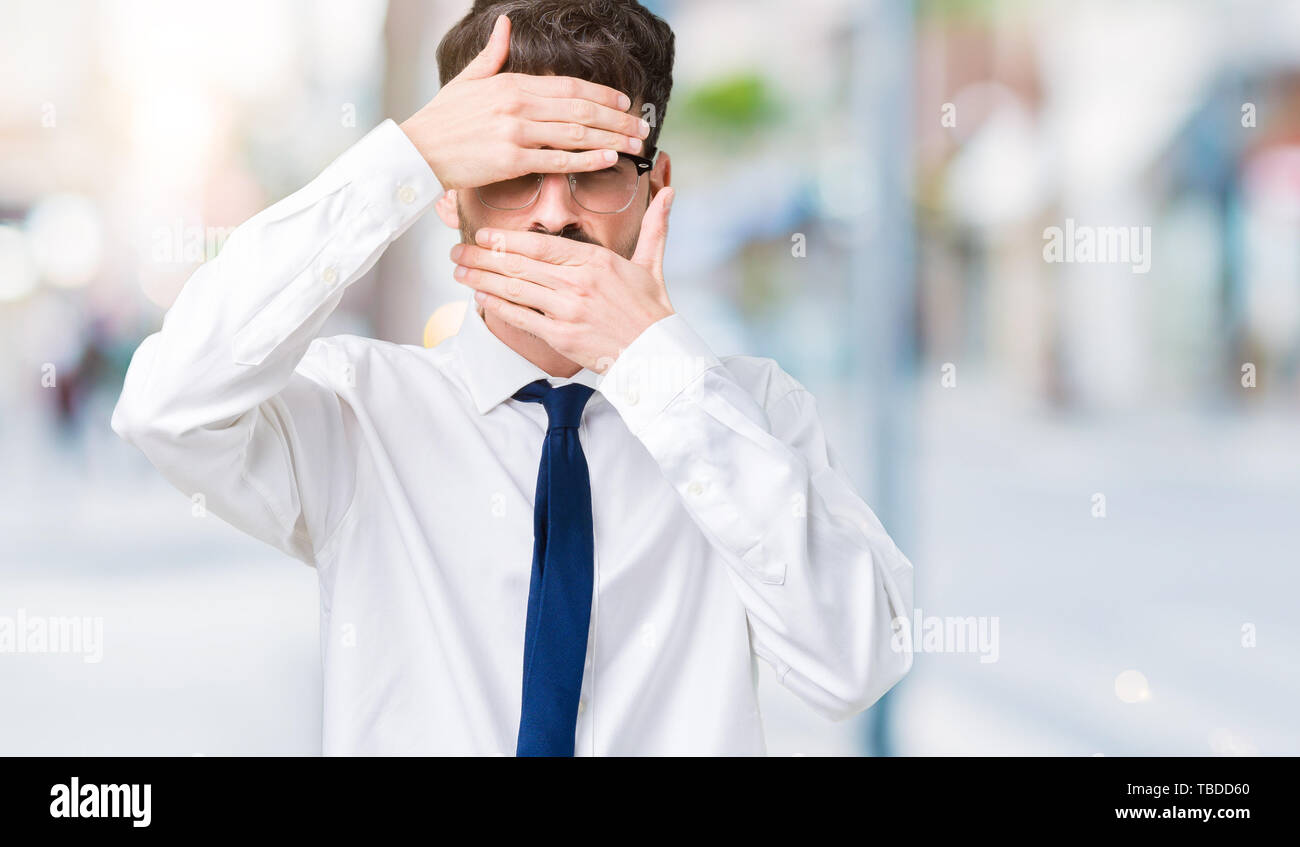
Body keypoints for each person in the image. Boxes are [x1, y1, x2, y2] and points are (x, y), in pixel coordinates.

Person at [110, 0, 914, 756]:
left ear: (655, 188)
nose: (554, 214)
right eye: (511, 171)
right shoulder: (358, 409)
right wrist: (410, 155)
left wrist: (656, 368)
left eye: (595, 169)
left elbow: (854, 665)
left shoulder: (751, 409)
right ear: (446, 198)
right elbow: (164, 407)